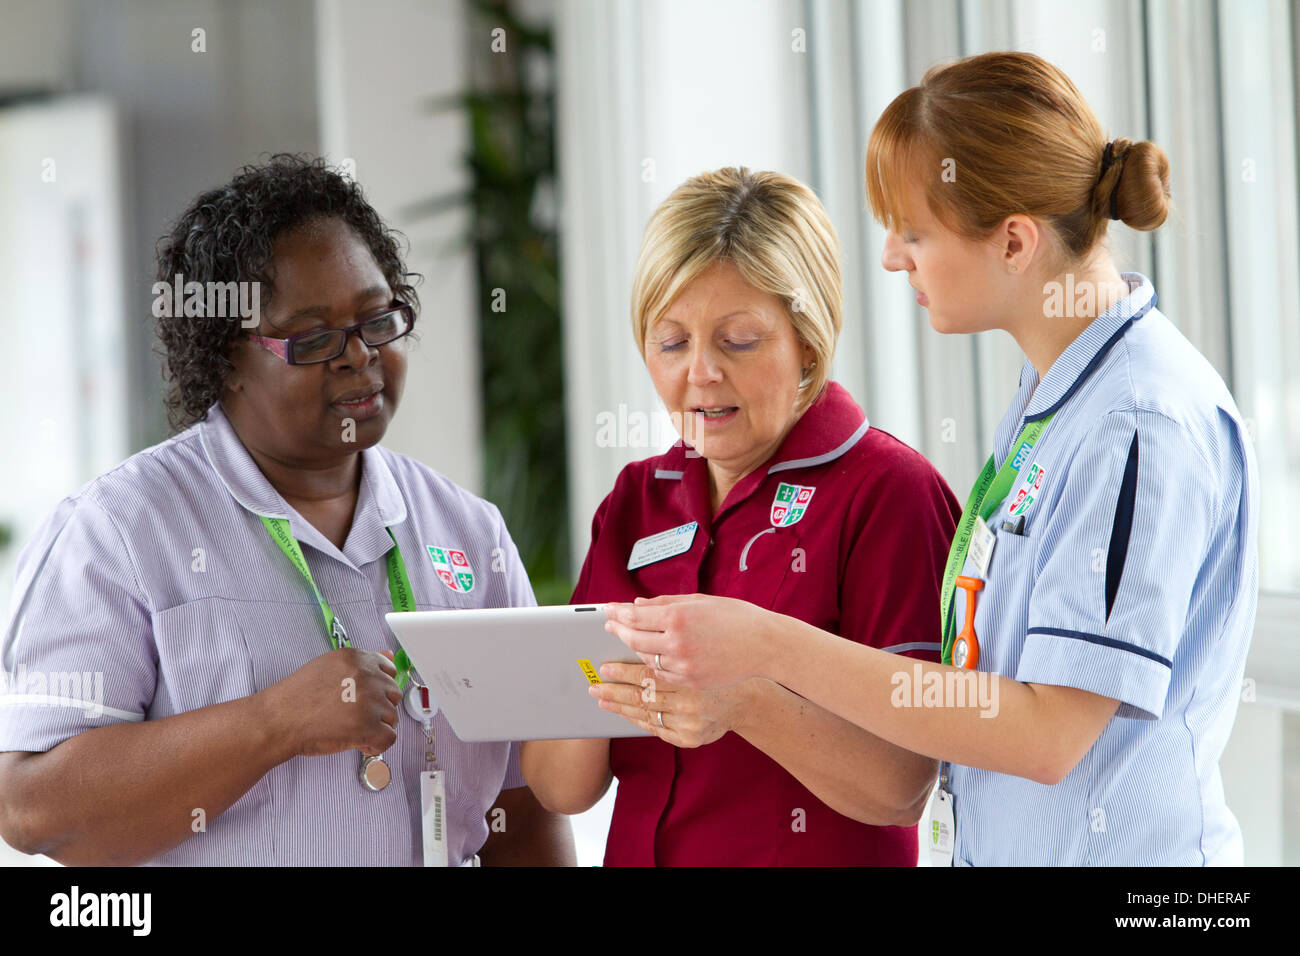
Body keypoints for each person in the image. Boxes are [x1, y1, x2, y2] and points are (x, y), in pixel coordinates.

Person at [603, 52, 1259, 866]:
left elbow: (1049, 733)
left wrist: (767, 649)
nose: (890, 256)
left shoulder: (1135, 419)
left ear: (1014, 242)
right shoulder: (1051, 398)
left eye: (913, 231)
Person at [0, 154, 574, 866]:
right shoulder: (118, 531)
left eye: (377, 319)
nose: (359, 356)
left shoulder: (467, 531)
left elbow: (523, 809)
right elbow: (31, 810)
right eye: (313, 339)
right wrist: (270, 724)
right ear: (226, 359)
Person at [522, 167, 961, 865]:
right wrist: (593, 685)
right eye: (672, 343)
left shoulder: (890, 492)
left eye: (740, 341)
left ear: (808, 343)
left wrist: (745, 701)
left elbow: (901, 784)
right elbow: (559, 787)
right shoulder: (638, 498)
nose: (701, 373)